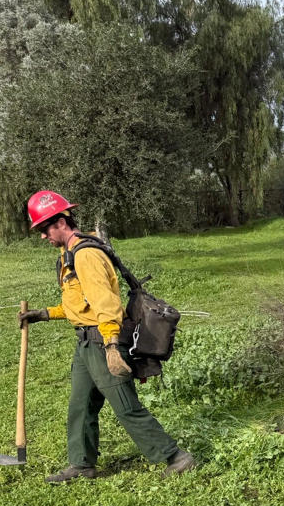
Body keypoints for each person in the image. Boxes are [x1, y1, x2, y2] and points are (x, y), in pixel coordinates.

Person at [19, 190, 195, 483]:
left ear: (61, 221)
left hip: (103, 342)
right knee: (80, 405)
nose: (42, 236)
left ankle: (175, 457)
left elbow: (107, 304)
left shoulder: (86, 254)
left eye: (44, 228)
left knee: (126, 407)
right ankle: (81, 464)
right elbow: (80, 303)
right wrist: (45, 313)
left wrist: (113, 345)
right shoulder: (69, 254)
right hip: (86, 343)